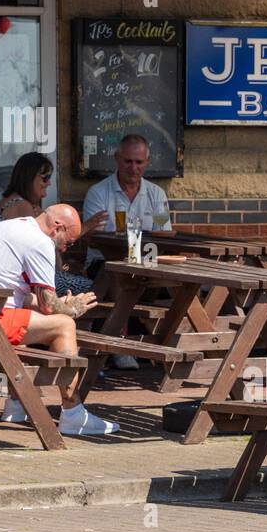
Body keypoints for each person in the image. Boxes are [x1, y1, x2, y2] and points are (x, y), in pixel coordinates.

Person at [0, 204, 120, 436]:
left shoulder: (11, 227)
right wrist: (72, 309)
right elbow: (48, 305)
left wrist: (61, 304)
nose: (65, 248)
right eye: (69, 241)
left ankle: (16, 404)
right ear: (57, 227)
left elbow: (23, 299)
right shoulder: (40, 242)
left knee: (26, 326)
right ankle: (73, 413)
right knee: (64, 325)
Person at [81, 134, 173, 370]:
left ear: (147, 162)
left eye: (139, 162)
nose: (133, 168)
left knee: (180, 280)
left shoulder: (156, 195)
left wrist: (135, 237)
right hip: (104, 263)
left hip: (147, 262)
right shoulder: (99, 192)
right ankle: (120, 345)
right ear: (117, 159)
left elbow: (164, 232)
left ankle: (163, 345)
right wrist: (140, 235)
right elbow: (93, 240)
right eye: (128, 161)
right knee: (118, 272)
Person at [0, 152, 94, 298]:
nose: (49, 183)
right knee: (95, 288)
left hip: (24, 277)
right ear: (28, 177)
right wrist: (89, 225)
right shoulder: (22, 206)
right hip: (28, 281)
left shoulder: (16, 201)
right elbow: (47, 246)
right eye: (45, 178)